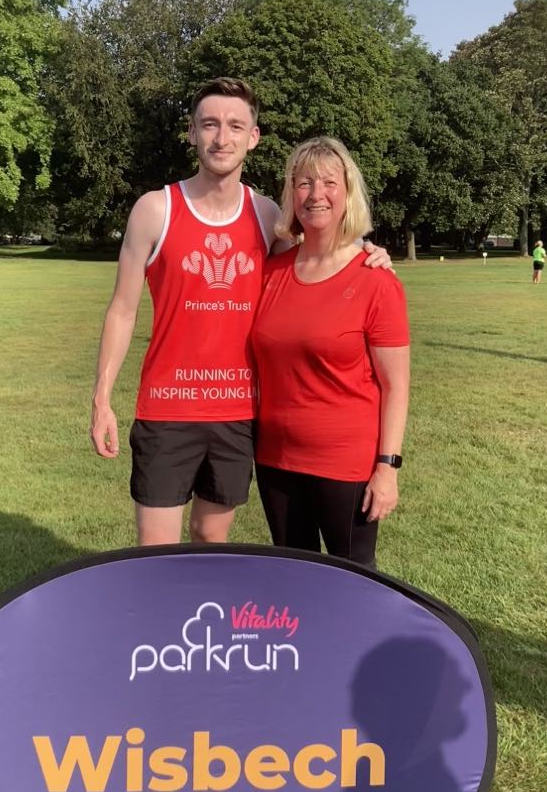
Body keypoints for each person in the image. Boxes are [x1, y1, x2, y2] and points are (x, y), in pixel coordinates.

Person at [90, 78, 392, 546]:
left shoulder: (266, 213)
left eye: (235, 126)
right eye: (209, 124)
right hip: (167, 410)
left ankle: (202, 622)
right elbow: (122, 310)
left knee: (212, 542)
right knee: (157, 554)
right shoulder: (154, 210)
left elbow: (320, 246)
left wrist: (366, 248)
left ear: (253, 137)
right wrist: (102, 399)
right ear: (191, 132)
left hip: (237, 414)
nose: (221, 138)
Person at [250, 136, 410, 569]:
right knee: (295, 579)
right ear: (291, 194)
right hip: (276, 460)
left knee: (355, 584)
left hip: (347, 466)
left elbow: (395, 387)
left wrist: (388, 467)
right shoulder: (271, 273)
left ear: (348, 193)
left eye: (328, 182)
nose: (315, 194)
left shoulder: (377, 281)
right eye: (303, 183)